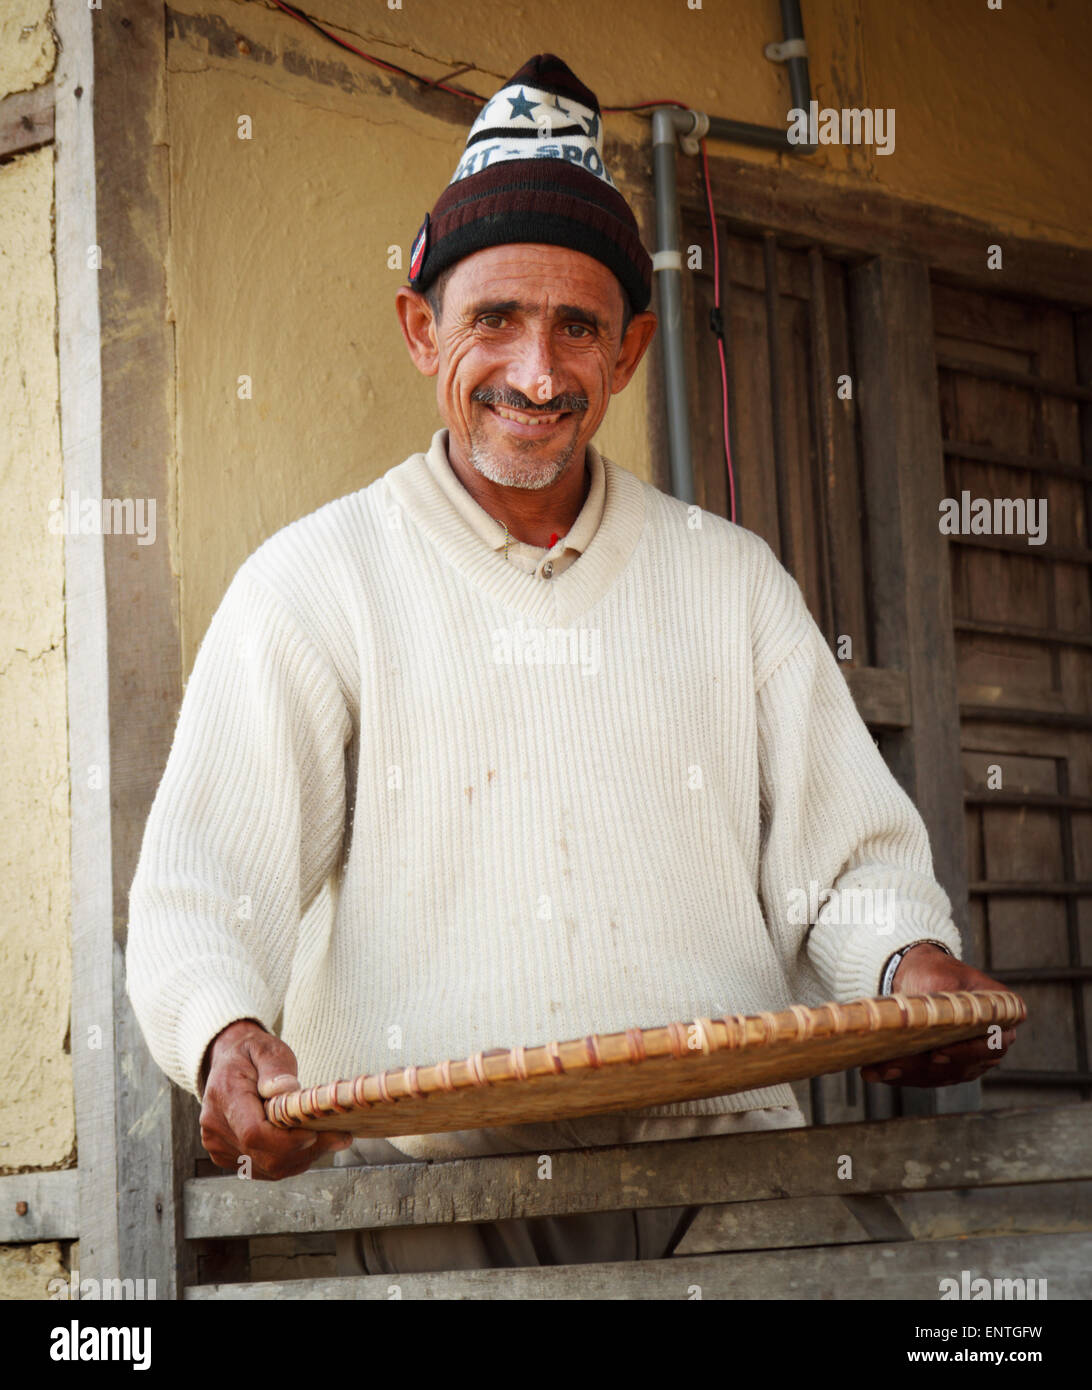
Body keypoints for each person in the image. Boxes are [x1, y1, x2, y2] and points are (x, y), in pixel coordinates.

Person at [126, 54, 1017, 1277]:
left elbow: (848, 864)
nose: (536, 375)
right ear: (419, 327)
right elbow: (204, 890)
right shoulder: (315, 582)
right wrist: (225, 1037)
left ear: (631, 348)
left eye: (577, 328)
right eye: (494, 319)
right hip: (427, 1194)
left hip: (731, 1180)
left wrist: (906, 965)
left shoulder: (731, 580)